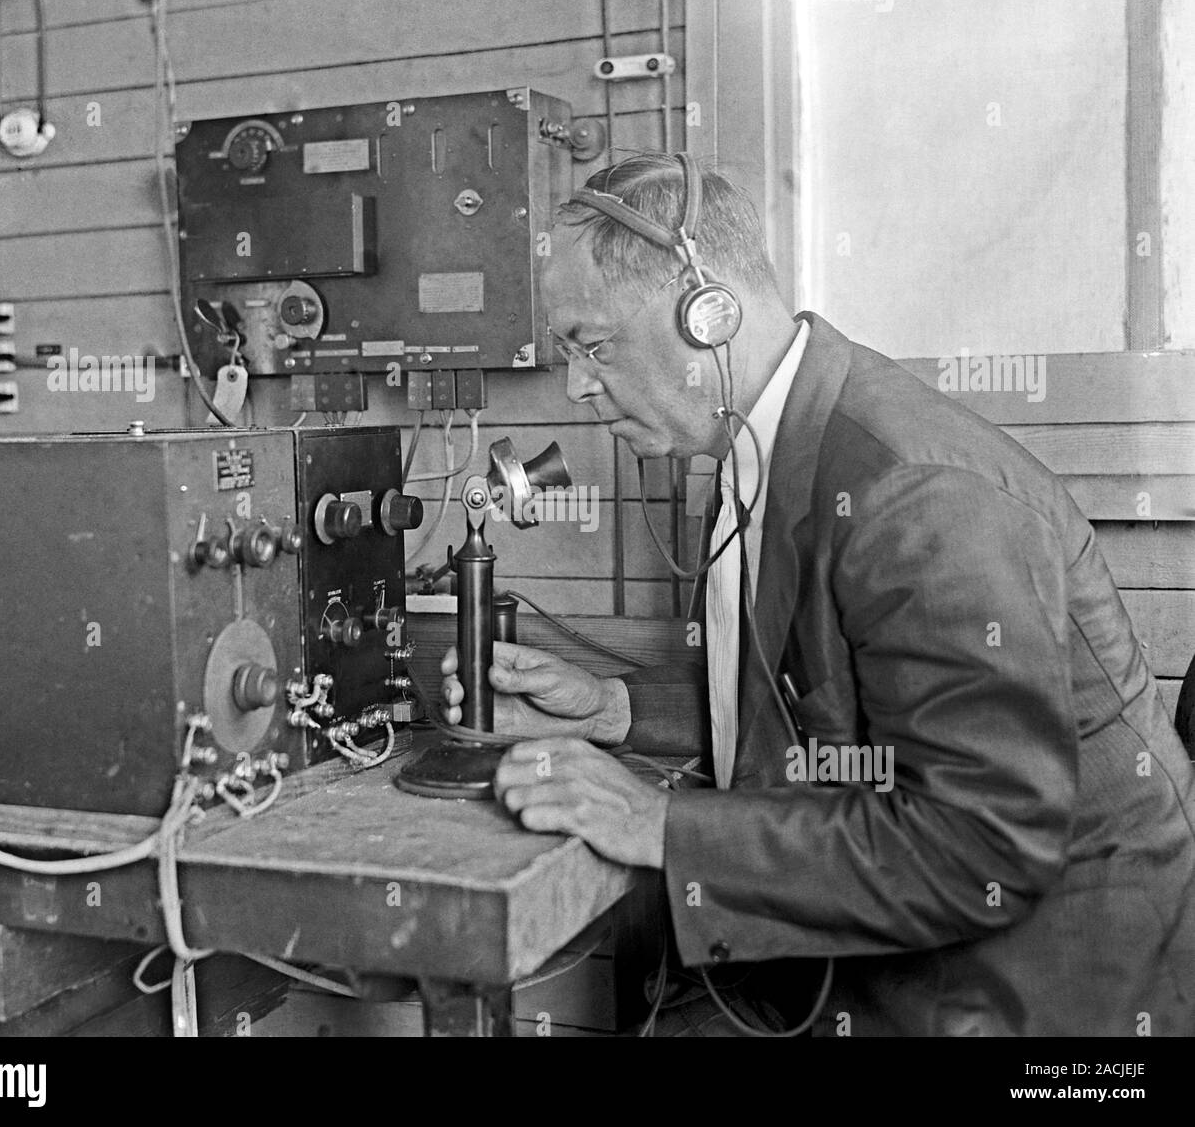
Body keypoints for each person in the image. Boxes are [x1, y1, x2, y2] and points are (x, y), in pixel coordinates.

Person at [440, 151, 1195, 1036]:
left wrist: (661, 826)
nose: (575, 384)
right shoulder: (757, 445)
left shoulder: (914, 494)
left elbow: (982, 844)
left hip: (1041, 996)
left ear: (707, 315)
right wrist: (608, 711)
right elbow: (827, 715)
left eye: (593, 345)